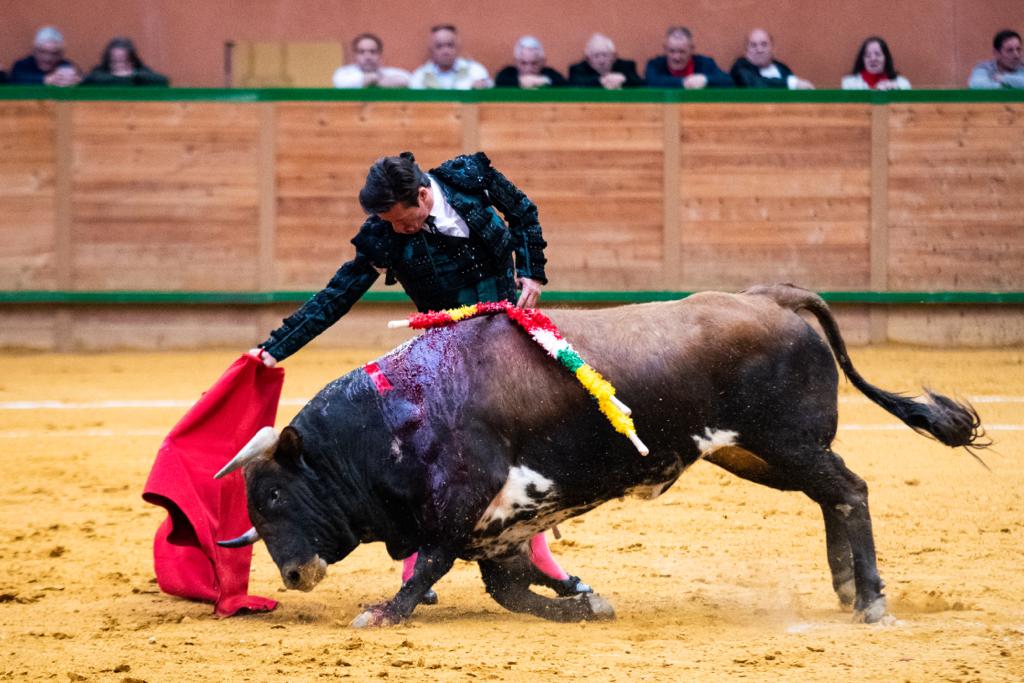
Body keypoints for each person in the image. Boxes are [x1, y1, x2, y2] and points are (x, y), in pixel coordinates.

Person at [247, 151, 593, 604]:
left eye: (403, 219)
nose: (399, 229)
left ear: (425, 196)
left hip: (507, 342)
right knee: (423, 455)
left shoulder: (469, 179)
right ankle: (415, 565)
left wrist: (531, 272)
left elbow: (524, 213)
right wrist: (275, 348)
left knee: (521, 451)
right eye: (389, 222)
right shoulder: (383, 236)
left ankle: (540, 559)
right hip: (444, 357)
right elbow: (337, 295)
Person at [644, 26, 733, 89]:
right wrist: (684, 82)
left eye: (682, 52)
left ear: (692, 50)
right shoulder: (655, 65)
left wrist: (706, 80)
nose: (677, 57)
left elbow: (728, 81)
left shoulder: (705, 64)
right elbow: (651, 82)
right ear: (665, 49)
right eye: (672, 51)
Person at [409, 25, 492, 89]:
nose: (446, 51)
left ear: (458, 47)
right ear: (431, 49)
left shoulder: (475, 72)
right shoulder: (420, 76)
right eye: (439, 46)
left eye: (450, 45)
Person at [730, 28, 814, 89]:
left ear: (772, 48)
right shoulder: (740, 68)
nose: (759, 50)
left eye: (764, 44)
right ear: (746, 50)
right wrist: (791, 83)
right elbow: (753, 84)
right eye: (753, 45)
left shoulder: (782, 69)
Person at [82, 37, 169, 87]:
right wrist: (117, 75)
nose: (119, 63)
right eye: (115, 60)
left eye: (123, 60)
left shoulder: (141, 72)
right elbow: (86, 82)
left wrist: (132, 75)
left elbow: (162, 80)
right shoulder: (99, 73)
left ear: (131, 60)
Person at [333, 33, 410, 89]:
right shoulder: (344, 73)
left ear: (380, 55)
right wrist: (377, 80)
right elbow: (340, 83)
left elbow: (407, 80)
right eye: (361, 52)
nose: (368, 57)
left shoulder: (389, 72)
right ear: (355, 56)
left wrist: (374, 81)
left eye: (373, 52)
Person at [10, 26, 81, 86]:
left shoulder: (67, 66)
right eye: (42, 52)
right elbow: (15, 80)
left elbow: (81, 81)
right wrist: (47, 80)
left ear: (61, 54)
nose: (47, 58)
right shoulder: (21, 66)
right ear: (34, 50)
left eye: (54, 53)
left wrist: (75, 80)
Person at [567, 33, 644, 89]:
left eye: (605, 55)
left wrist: (622, 79)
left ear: (614, 56)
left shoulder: (626, 66)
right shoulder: (577, 69)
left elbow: (639, 83)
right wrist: (602, 80)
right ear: (588, 59)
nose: (601, 60)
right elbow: (574, 83)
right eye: (596, 56)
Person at [495, 35, 567, 89]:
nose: (529, 68)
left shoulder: (550, 73)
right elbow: (500, 82)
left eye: (534, 63)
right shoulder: (507, 73)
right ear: (516, 62)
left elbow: (563, 84)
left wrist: (545, 81)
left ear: (543, 62)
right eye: (523, 63)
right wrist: (520, 82)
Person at [841, 36, 911, 90]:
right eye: (868, 55)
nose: (873, 59)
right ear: (862, 60)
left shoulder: (901, 83)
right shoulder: (849, 83)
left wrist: (895, 91)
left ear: (886, 58)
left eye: (878, 54)